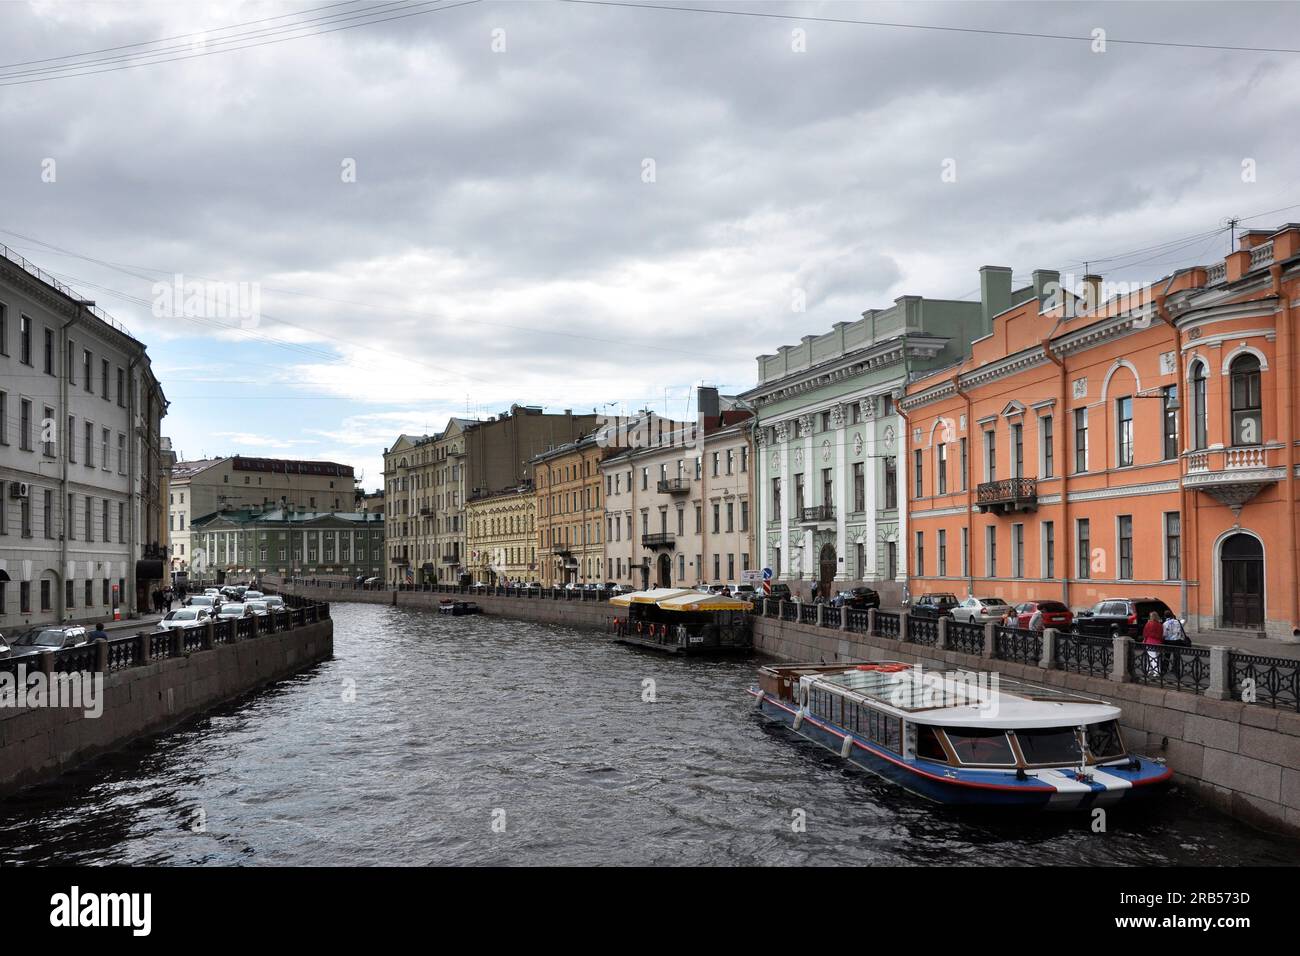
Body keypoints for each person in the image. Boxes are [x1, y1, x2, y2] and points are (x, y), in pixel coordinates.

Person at [1142, 610, 1164, 677]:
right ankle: (1151, 670)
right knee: (1156, 657)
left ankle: (1156, 671)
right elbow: (1161, 634)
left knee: (1152, 657)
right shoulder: (1160, 624)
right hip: (1158, 642)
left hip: (1150, 642)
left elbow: (1145, 633)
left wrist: (1144, 640)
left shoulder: (1149, 624)